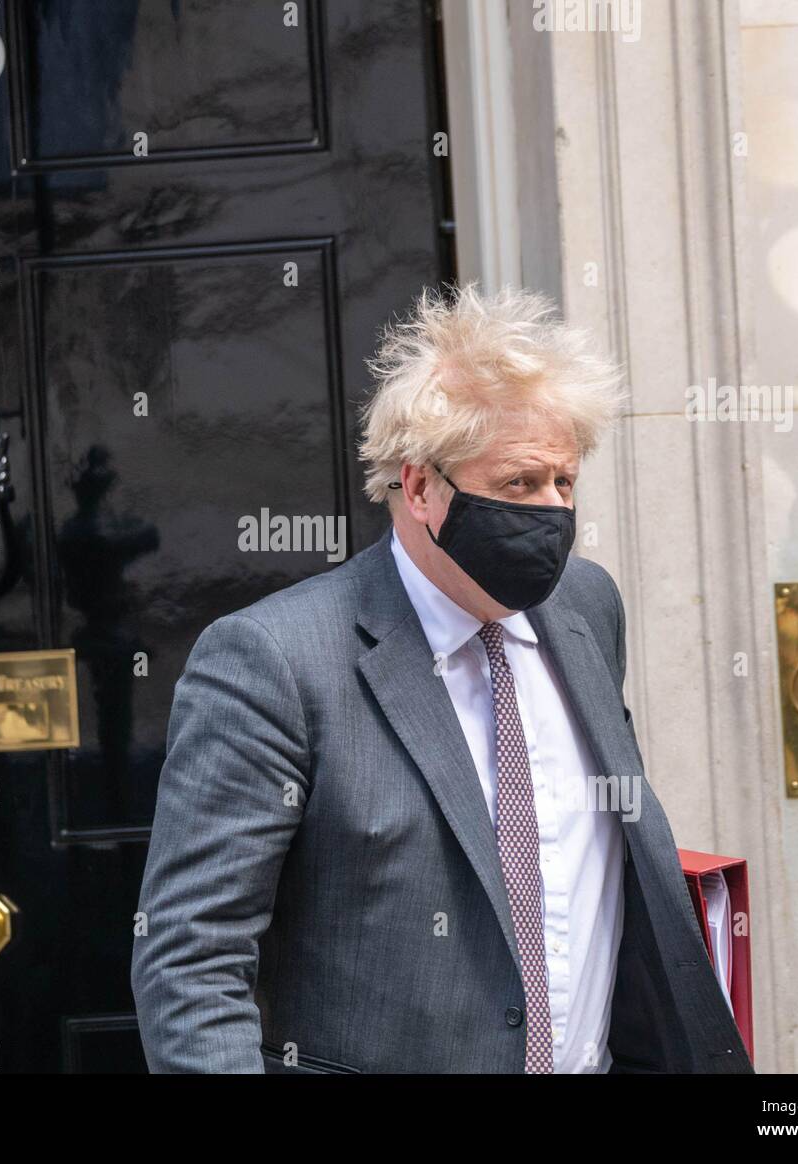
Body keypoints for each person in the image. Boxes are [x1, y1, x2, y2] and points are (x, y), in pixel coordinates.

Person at [130, 282, 753, 1074]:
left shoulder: (586, 608)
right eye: (520, 485)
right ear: (420, 487)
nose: (553, 513)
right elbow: (191, 960)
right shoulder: (273, 661)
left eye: (566, 483)